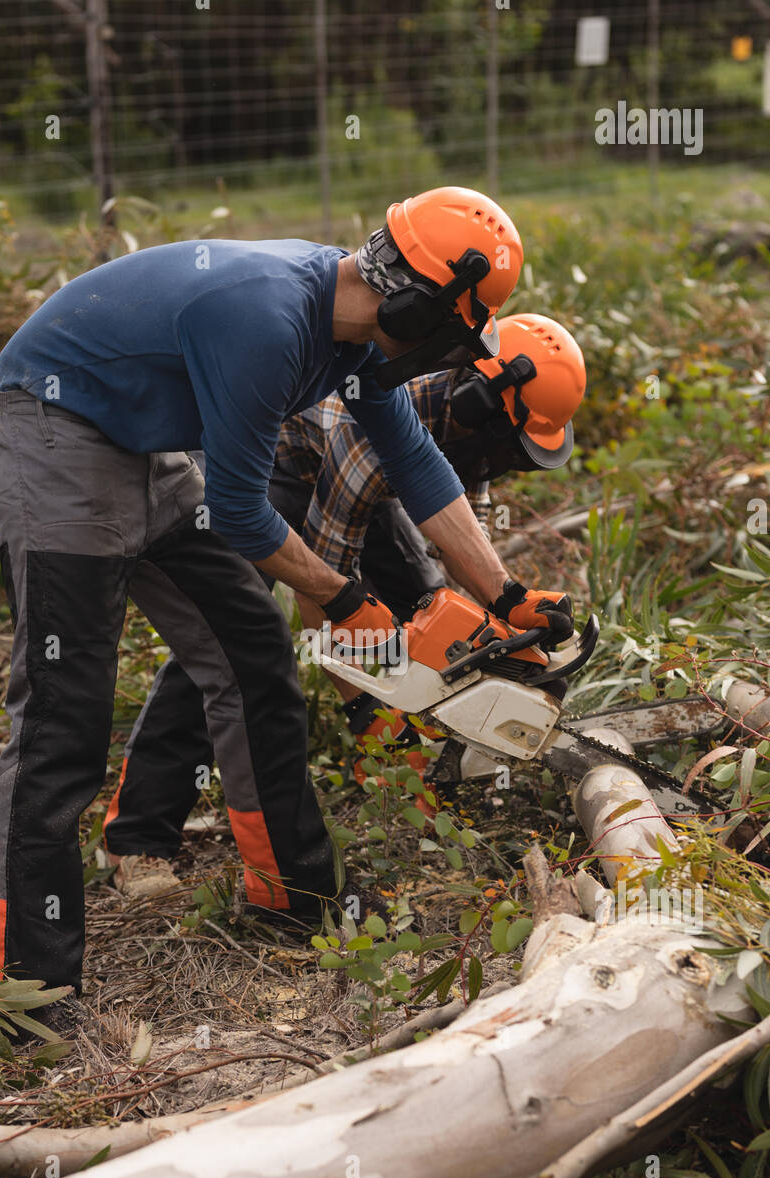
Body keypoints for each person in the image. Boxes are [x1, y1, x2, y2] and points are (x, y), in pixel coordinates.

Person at [0, 184, 574, 1029]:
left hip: (139, 444)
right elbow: (244, 505)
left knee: (252, 653)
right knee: (63, 712)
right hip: (53, 426)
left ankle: (292, 895)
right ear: (411, 299)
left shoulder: (352, 337)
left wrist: (505, 597)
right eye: (450, 325)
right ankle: (24, 991)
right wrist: (343, 598)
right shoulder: (268, 317)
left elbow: (413, 461)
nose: (449, 348)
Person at [103, 313, 587, 898]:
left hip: (359, 483)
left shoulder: (468, 431)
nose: (504, 462)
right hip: (259, 473)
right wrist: (364, 711)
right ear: (477, 401)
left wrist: (508, 606)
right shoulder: (371, 423)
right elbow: (325, 590)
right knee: (224, 644)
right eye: (509, 447)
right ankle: (138, 840)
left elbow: (463, 537)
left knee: (427, 606)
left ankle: (432, 770)